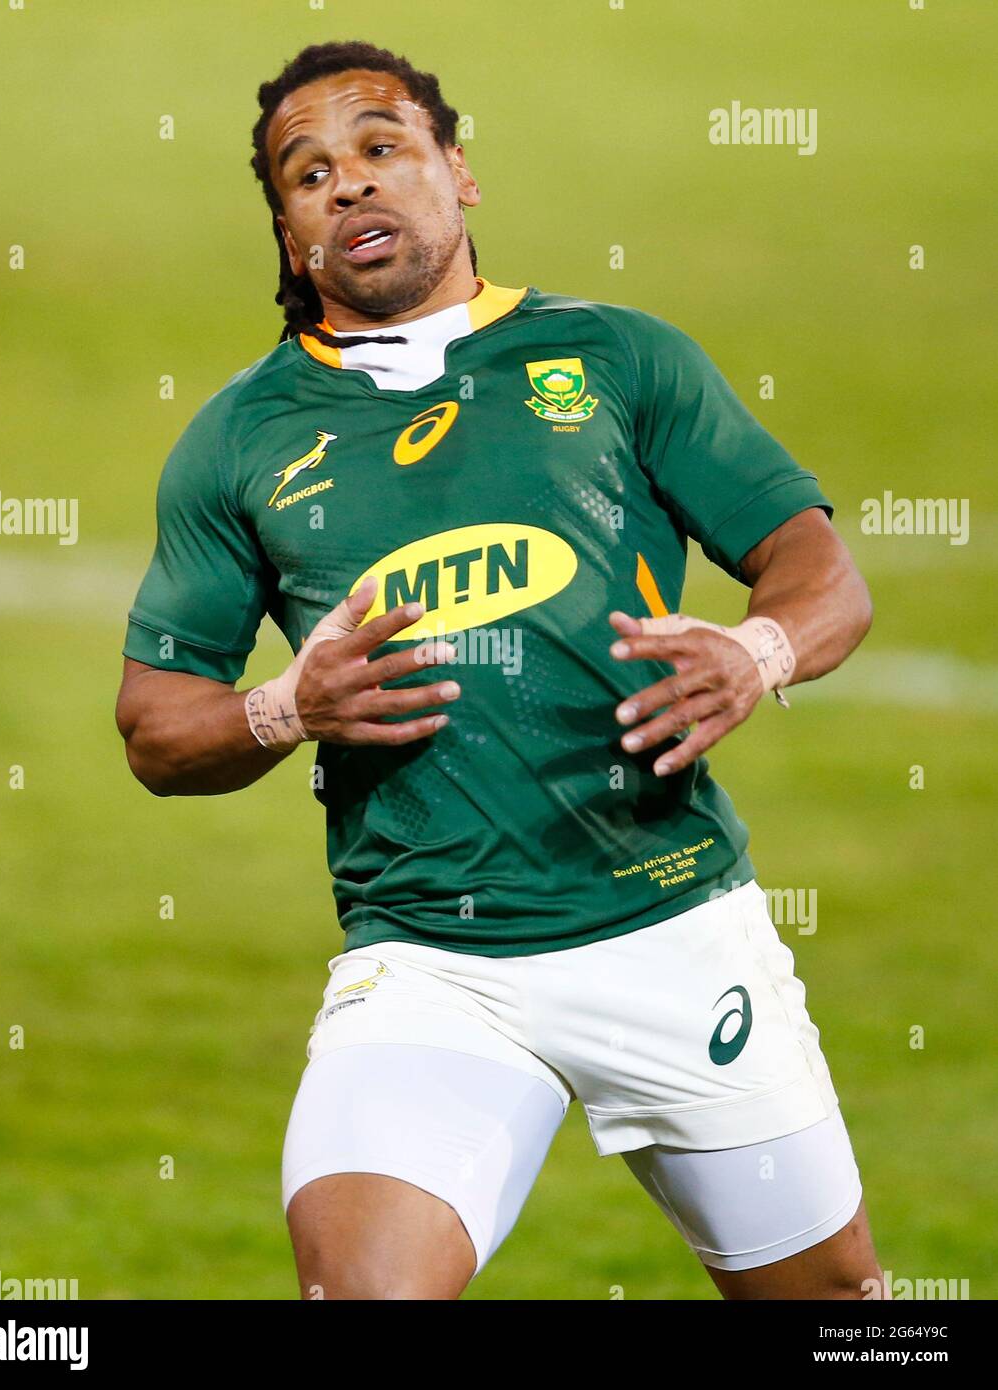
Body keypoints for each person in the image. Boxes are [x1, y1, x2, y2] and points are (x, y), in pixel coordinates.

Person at [116, 40, 883, 1300]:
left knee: (840, 1318)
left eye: (381, 150)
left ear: (455, 173)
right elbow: (155, 727)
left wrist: (756, 651)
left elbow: (819, 574)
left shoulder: (622, 359)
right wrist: (283, 706)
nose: (349, 186)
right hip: (429, 965)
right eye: (308, 175)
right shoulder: (238, 440)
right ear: (289, 233)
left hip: (674, 927)